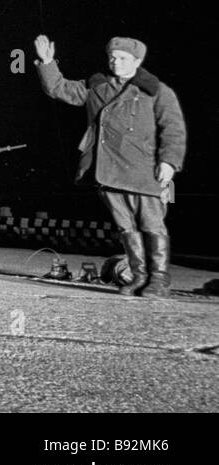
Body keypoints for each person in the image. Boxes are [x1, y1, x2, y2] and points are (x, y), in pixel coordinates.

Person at [33, 35, 185, 298]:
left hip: (144, 171)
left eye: (122, 58)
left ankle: (159, 280)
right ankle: (139, 276)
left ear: (138, 61)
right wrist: (47, 62)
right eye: (112, 57)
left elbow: (173, 130)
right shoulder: (97, 86)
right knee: (125, 227)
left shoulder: (156, 91)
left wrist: (169, 162)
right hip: (106, 169)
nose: (115, 62)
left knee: (152, 225)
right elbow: (59, 89)